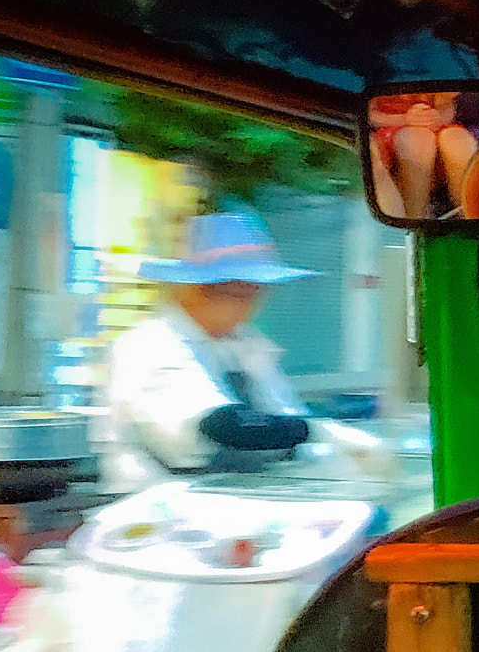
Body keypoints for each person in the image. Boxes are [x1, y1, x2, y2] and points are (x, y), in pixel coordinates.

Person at [101, 210, 325, 495]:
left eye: (257, 292)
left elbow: (285, 413)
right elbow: (226, 428)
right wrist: (316, 432)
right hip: (157, 513)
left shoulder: (246, 345)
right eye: (240, 293)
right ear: (194, 290)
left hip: (240, 503)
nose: (252, 305)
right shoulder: (148, 345)